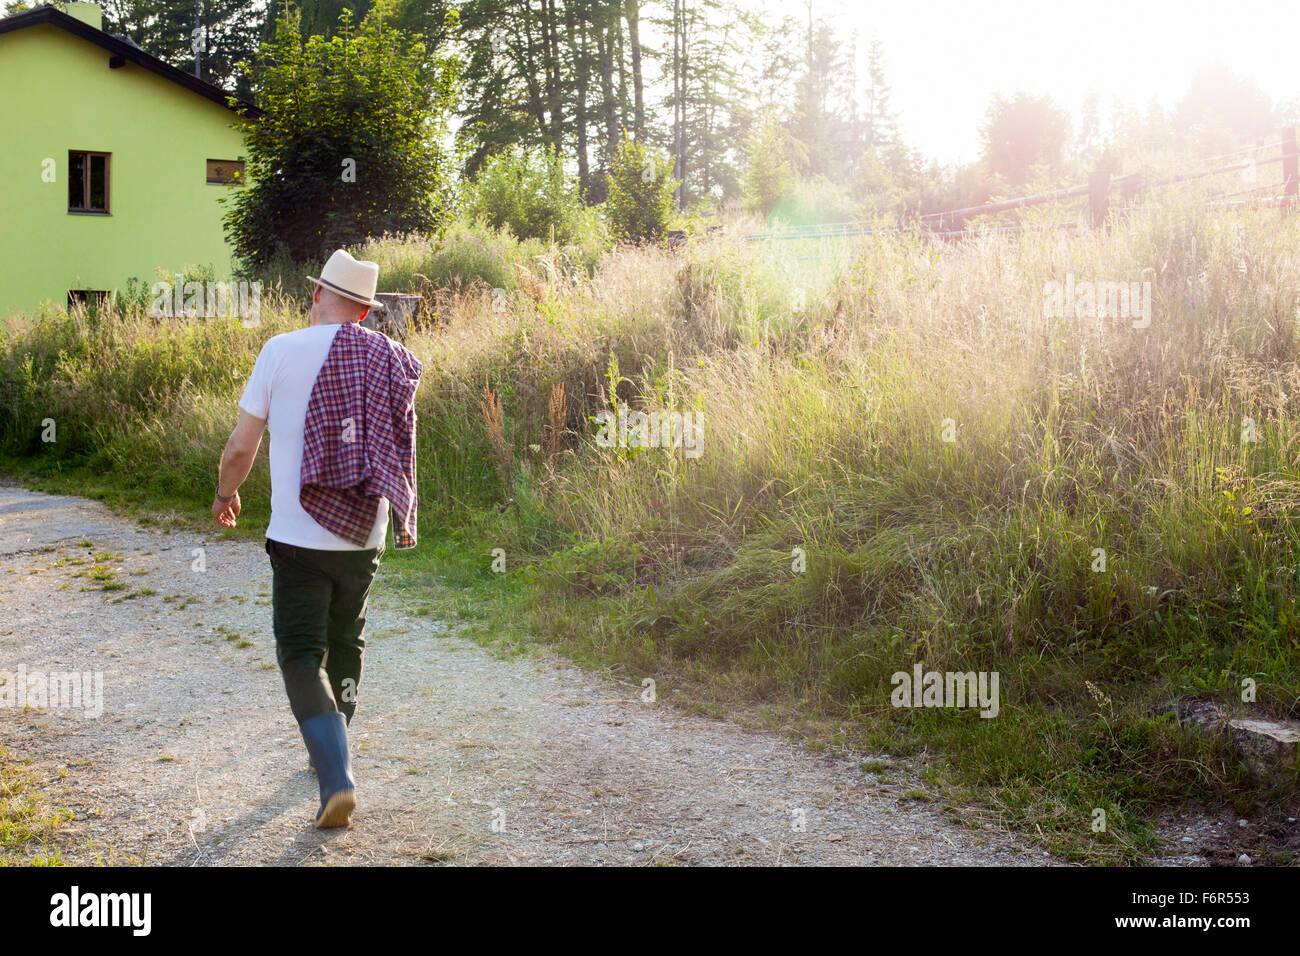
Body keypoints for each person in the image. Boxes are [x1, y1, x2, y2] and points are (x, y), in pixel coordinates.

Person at [212, 249, 422, 828]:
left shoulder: (280, 350)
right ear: (364, 311)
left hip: (299, 536)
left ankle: (334, 777)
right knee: (346, 641)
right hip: (366, 533)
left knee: (302, 654)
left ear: (316, 296)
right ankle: (333, 751)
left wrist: (226, 494)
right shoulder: (390, 357)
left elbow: (240, 446)